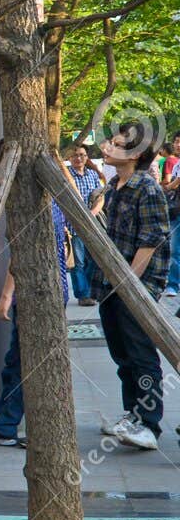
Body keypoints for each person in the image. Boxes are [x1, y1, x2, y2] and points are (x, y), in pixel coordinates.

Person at [89, 121, 171, 450]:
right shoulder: (115, 187)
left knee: (141, 355)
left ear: (135, 155)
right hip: (113, 284)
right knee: (122, 354)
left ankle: (150, 425)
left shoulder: (147, 188)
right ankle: (132, 415)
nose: (108, 146)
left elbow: (151, 242)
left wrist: (130, 286)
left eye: (117, 143)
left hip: (136, 285)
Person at [0, 200, 70, 448]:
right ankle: (8, 425)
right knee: (20, 364)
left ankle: (14, 428)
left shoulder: (31, 206)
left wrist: (6, 295)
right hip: (46, 293)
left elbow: (22, 255)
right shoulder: (51, 203)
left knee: (24, 365)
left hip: (38, 295)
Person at [64, 143, 106, 305]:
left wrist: (92, 213)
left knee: (94, 259)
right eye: (75, 155)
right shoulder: (66, 175)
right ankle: (83, 294)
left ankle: (90, 289)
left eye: (82, 155)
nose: (78, 158)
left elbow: (100, 196)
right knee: (78, 261)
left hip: (93, 223)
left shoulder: (92, 175)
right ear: (69, 158)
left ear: (87, 157)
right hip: (73, 224)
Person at [162, 132, 180, 297]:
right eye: (176, 142)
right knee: (174, 250)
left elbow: (173, 184)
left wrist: (170, 186)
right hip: (176, 212)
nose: (178, 145)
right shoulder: (175, 165)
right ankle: (173, 284)